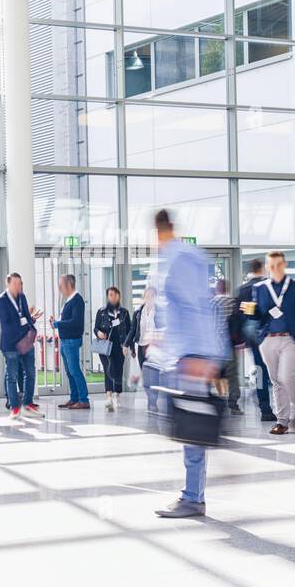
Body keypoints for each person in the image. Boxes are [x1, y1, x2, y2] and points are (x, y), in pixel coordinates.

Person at [154, 210, 227, 519]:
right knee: (186, 422)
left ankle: (193, 497)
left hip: (191, 356)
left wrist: (200, 355)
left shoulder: (178, 258)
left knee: (191, 425)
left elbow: (193, 306)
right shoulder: (185, 255)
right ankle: (193, 493)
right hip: (188, 353)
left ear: (157, 232)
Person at [249, 250, 295, 435]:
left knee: (284, 376)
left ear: (285, 265)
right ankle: (282, 421)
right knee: (275, 380)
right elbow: (259, 316)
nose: (275, 269)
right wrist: (251, 312)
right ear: (267, 267)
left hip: (291, 339)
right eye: (271, 266)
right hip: (268, 339)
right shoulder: (261, 288)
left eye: (278, 265)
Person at [0, 272, 45, 421]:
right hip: (10, 345)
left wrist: (31, 320)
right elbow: (6, 323)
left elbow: (25, 318)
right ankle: (15, 407)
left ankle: (28, 404)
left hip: (26, 342)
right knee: (12, 376)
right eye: (15, 283)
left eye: (19, 283)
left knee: (30, 373)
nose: (18, 286)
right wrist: (24, 322)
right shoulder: (1, 300)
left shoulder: (22, 297)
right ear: (8, 284)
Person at [236, 259, 277, 422]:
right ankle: (281, 405)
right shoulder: (271, 287)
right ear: (263, 269)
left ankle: (265, 408)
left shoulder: (243, 289)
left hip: (252, 335)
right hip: (271, 334)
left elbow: (239, 315)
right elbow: (276, 311)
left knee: (260, 369)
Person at [50, 274, 89, 410]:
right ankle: (74, 398)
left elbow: (76, 322)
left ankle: (83, 400)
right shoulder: (69, 300)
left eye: (61, 285)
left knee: (74, 370)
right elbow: (67, 320)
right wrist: (56, 323)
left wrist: (58, 324)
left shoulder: (77, 300)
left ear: (68, 285)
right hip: (65, 341)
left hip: (71, 341)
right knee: (69, 371)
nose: (60, 288)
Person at [93, 286, 131, 412]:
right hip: (105, 346)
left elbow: (129, 330)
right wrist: (98, 333)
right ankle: (108, 397)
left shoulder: (124, 312)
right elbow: (96, 328)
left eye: (115, 294)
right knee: (108, 369)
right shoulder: (102, 311)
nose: (112, 297)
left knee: (118, 370)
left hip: (119, 347)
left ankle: (117, 396)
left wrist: (126, 345)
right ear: (107, 296)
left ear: (118, 296)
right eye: (110, 294)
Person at [127, 285, 164, 414]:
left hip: (153, 347)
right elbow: (133, 330)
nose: (149, 298)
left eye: (152, 296)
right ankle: (150, 397)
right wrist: (127, 344)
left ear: (155, 297)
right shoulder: (138, 313)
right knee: (146, 376)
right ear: (144, 297)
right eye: (147, 296)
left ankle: (152, 402)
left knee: (154, 376)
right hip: (141, 346)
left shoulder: (159, 312)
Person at [211, 277, 242, 414]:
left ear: (217, 289)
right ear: (227, 289)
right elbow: (239, 323)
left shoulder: (211, 303)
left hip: (214, 346)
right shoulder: (233, 303)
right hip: (229, 345)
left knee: (212, 374)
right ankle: (233, 403)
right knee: (232, 376)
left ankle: (213, 403)